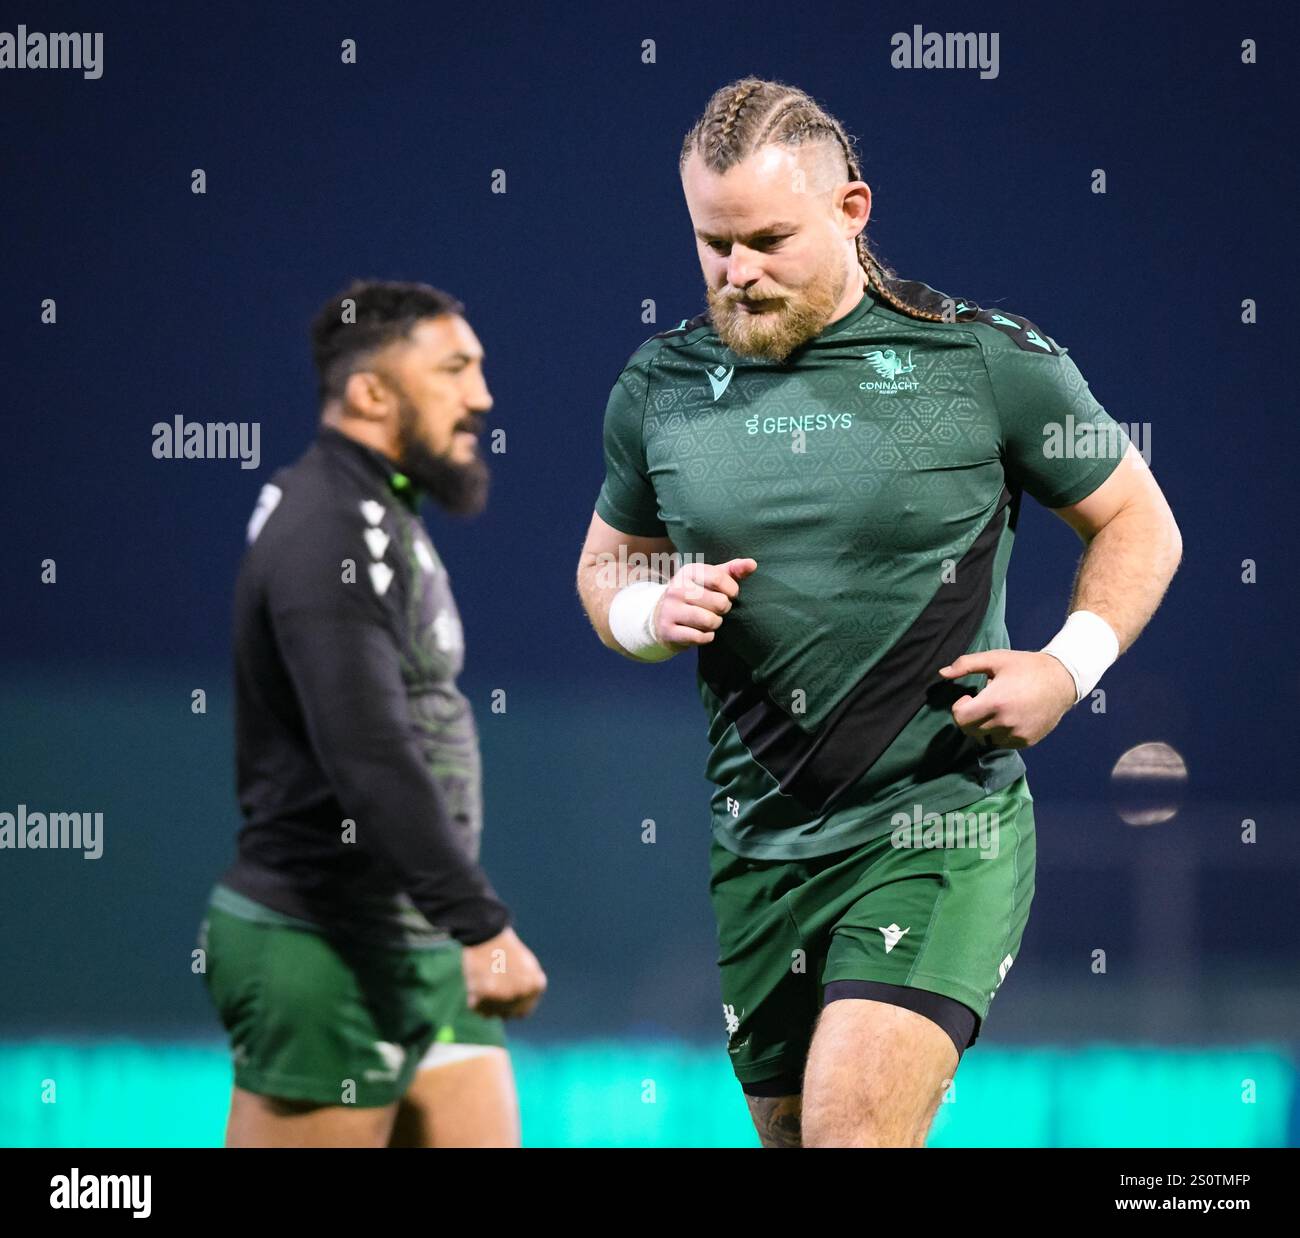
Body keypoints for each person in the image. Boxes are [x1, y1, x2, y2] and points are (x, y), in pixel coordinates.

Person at [575, 78, 1181, 1148]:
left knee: (851, 1134)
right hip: (756, 846)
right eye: (711, 243)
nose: (736, 272)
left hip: (938, 825)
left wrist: (1066, 666)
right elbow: (605, 565)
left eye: (767, 238)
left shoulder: (985, 363)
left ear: (852, 209)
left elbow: (1140, 520)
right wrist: (647, 611)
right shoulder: (658, 386)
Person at [200, 279, 546, 1147]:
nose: (482, 396)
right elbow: (368, 750)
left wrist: (456, 927)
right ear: (369, 392)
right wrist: (484, 925)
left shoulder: (380, 509)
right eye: (455, 369)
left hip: (421, 943)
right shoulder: (327, 528)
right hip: (323, 946)